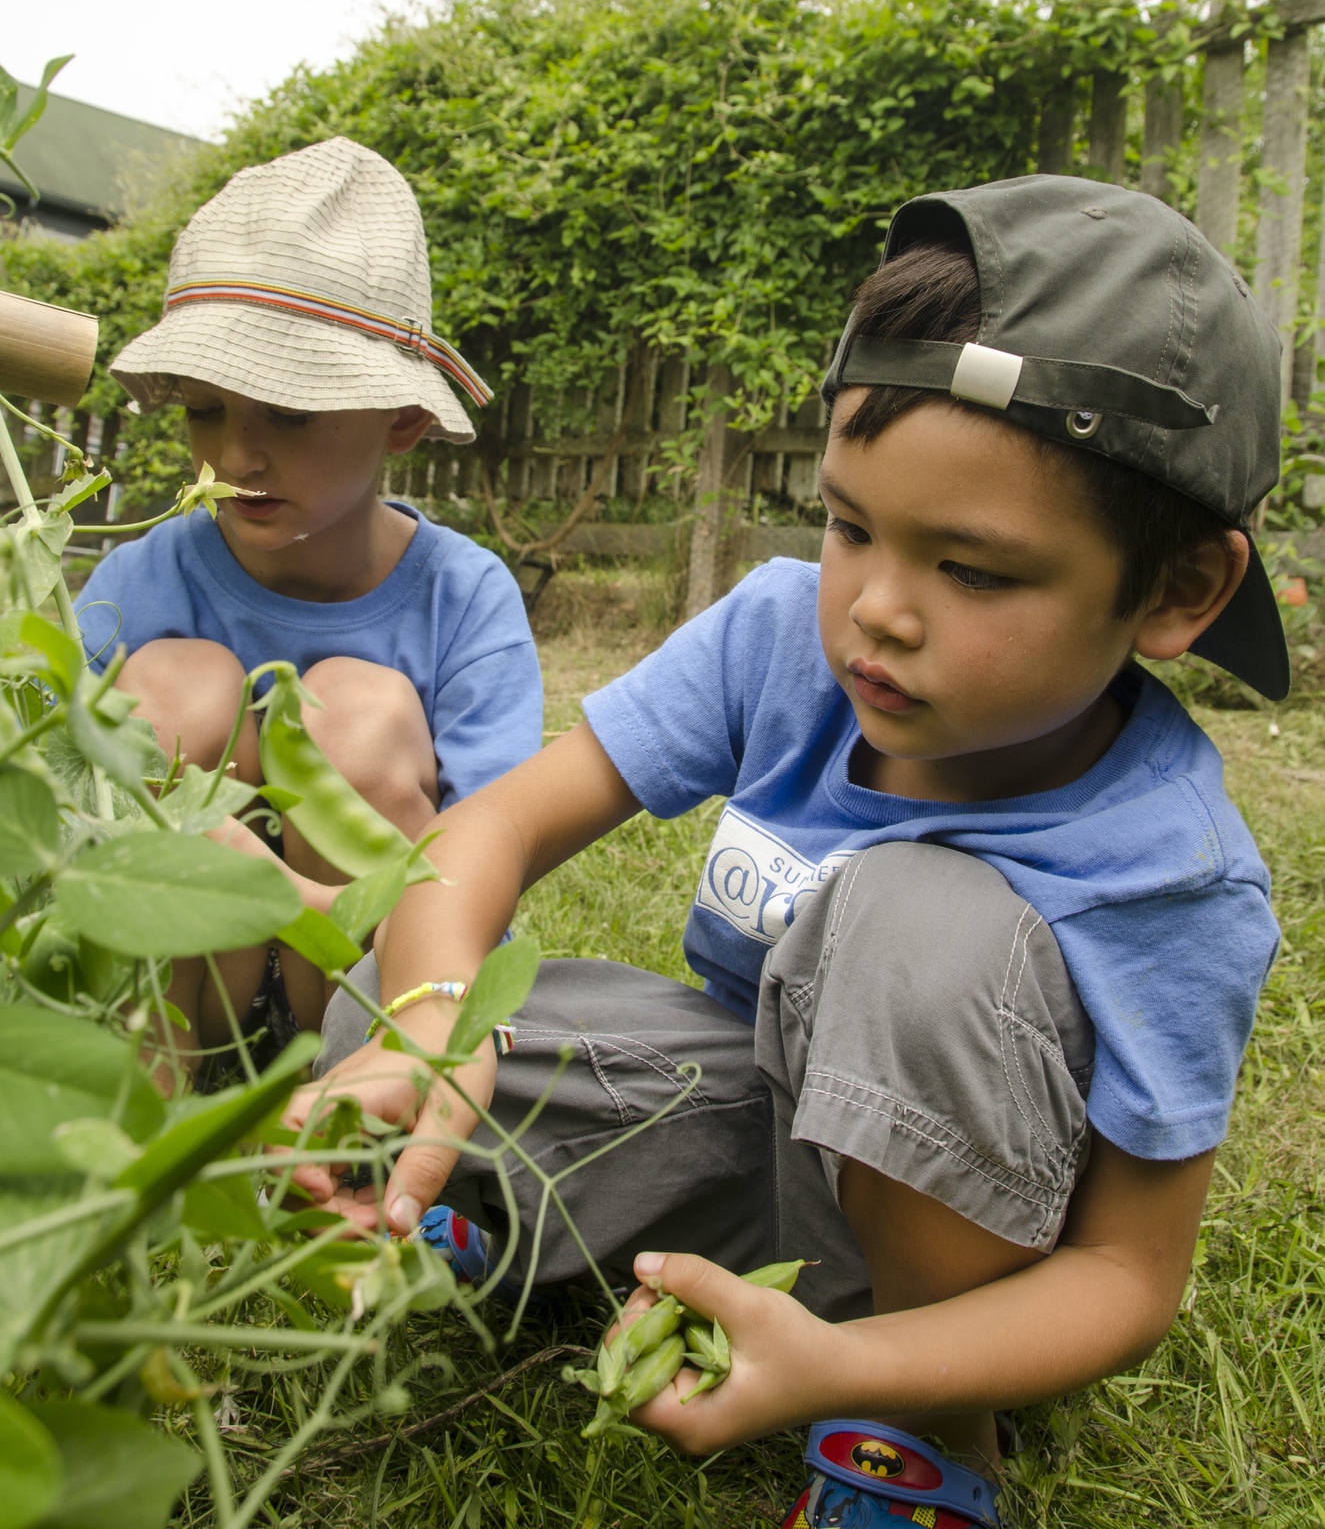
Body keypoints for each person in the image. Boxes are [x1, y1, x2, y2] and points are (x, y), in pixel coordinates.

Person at [288, 174, 1285, 1529]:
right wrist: (431, 1018)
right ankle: (486, 1217)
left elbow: (1123, 1276)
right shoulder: (776, 635)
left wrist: (851, 1363)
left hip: (957, 1284)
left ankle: (919, 1434)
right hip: (753, 1141)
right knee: (392, 981)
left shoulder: (1166, 864)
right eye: (849, 526)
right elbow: (496, 829)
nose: (877, 609)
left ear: (1174, 593)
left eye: (974, 572)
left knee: (916, 918)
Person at [75, 136, 542, 1073]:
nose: (237, 456)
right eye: (206, 409)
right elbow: (59, 794)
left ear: (401, 420)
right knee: (170, 685)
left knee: (354, 712)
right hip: (173, 963)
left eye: (289, 414)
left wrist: (285, 894)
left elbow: (489, 859)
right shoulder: (141, 579)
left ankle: (349, 1079)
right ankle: (144, 1082)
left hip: (366, 969)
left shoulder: (463, 594)